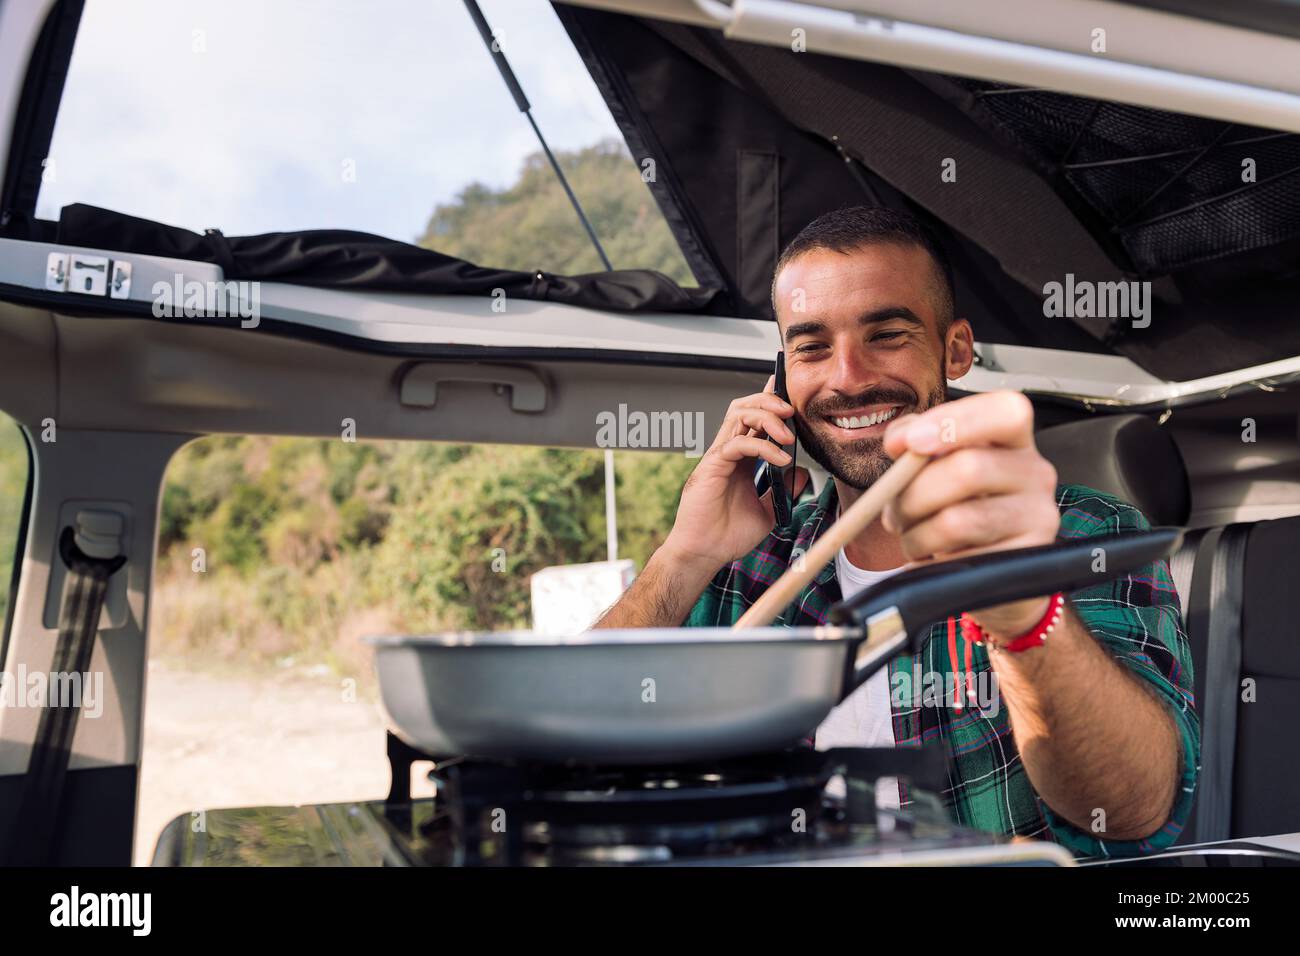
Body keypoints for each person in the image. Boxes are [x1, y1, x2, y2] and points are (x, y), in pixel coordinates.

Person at [596, 206, 1199, 858]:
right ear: (781, 378)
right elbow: (572, 755)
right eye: (811, 346)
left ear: (956, 350)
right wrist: (684, 556)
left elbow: (1134, 807)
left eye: (886, 334)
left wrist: (1023, 610)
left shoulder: (1086, 534)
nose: (848, 378)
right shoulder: (750, 572)